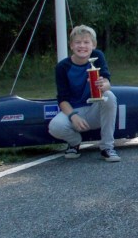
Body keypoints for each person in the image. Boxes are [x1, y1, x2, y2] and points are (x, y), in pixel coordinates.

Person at [48, 24, 120, 162]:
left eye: (86, 42)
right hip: (75, 110)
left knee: (109, 96)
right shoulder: (62, 67)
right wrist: (73, 117)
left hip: (95, 111)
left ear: (93, 45)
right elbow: (62, 99)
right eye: (78, 42)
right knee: (55, 127)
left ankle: (107, 147)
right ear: (71, 46)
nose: (82, 46)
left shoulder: (98, 56)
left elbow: (107, 83)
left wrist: (103, 85)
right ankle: (74, 142)